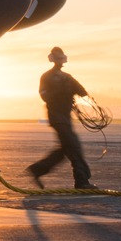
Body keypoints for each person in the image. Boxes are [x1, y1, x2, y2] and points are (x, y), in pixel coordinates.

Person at [27, 46, 94, 190]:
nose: (60, 61)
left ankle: (37, 169)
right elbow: (44, 96)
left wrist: (78, 91)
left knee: (64, 150)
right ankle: (82, 182)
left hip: (65, 118)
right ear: (53, 60)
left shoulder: (67, 77)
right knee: (74, 147)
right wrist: (60, 90)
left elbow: (82, 92)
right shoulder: (47, 77)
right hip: (58, 118)